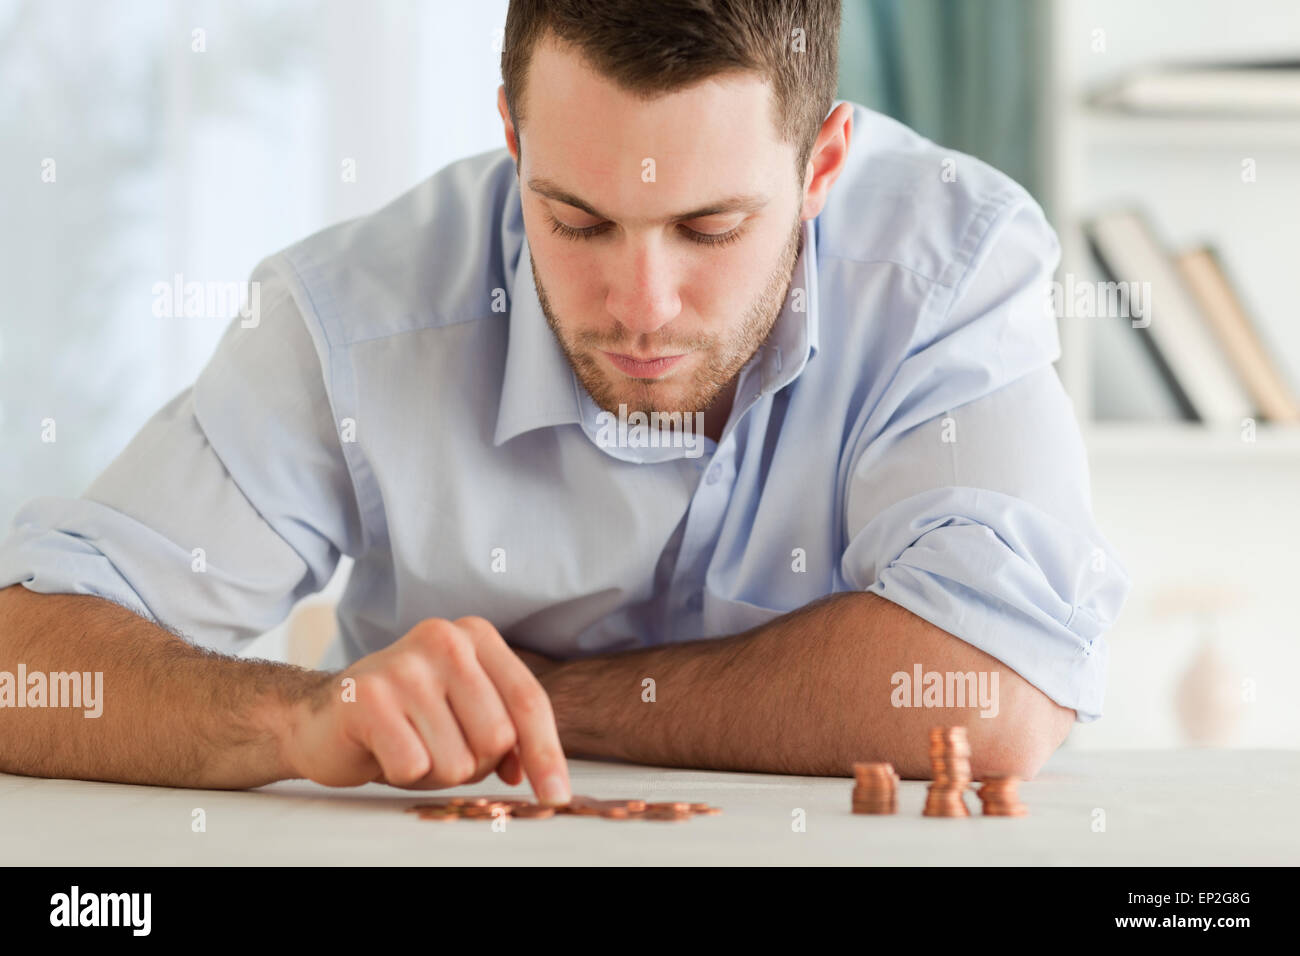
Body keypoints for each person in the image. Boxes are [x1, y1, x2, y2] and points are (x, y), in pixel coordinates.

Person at [0, 0, 1129, 804]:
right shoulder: (352, 319)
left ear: (822, 165)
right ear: (511, 134)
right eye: (577, 220)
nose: (640, 308)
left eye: (710, 228)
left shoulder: (948, 263)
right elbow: (23, 663)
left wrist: (533, 702)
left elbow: (995, 687)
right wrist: (305, 712)